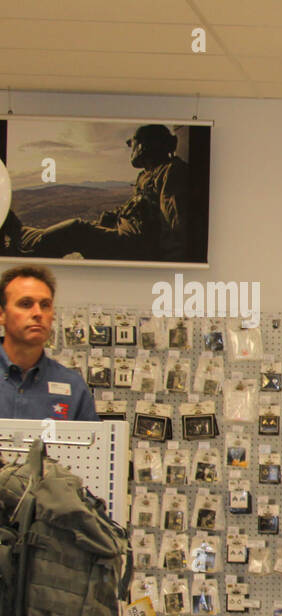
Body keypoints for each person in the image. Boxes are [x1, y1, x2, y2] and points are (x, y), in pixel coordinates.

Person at [1, 125, 191, 262]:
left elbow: (174, 219)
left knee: (77, 229)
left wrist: (170, 265)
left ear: (144, 146)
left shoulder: (170, 171)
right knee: (80, 228)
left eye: (134, 144)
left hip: (137, 246)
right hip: (130, 238)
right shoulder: (148, 174)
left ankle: (26, 246)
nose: (132, 149)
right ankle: (26, 235)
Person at [0, 266, 97, 421]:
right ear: (2, 315)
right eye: (26, 304)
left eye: (45, 305)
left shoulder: (73, 386)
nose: (38, 313)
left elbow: (95, 444)